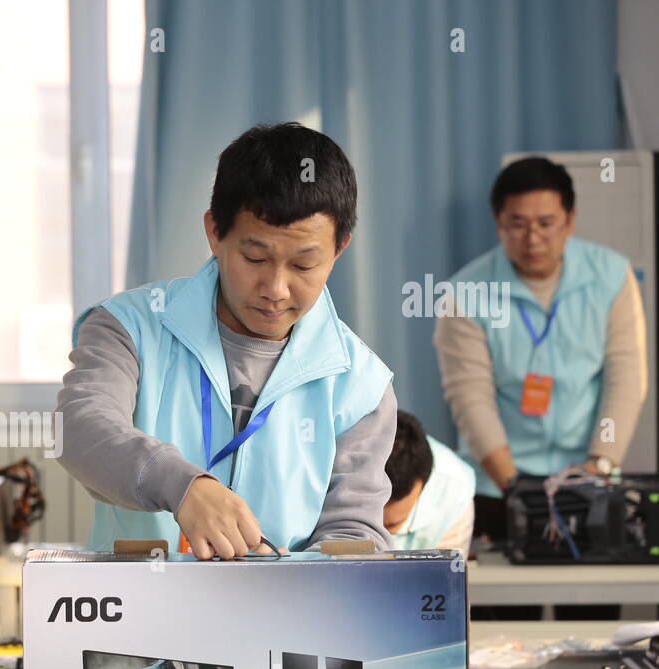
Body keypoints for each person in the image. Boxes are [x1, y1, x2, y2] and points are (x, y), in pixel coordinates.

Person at [57, 122, 396, 557]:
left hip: (284, 618)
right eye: (255, 257)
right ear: (215, 232)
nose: (276, 288)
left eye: (304, 265)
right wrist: (182, 486)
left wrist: (282, 575)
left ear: (339, 250)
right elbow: (79, 429)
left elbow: (353, 533)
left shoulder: (360, 385)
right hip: (140, 613)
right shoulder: (131, 326)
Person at [434, 156, 648, 542]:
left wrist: (600, 466)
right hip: (497, 486)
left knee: (590, 600)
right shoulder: (464, 294)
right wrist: (515, 488)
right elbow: (470, 398)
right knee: (507, 600)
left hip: (590, 478)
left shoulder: (613, 276)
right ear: (499, 223)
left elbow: (626, 378)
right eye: (518, 224)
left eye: (546, 224)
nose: (533, 239)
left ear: (569, 220)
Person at [384, 411, 476, 553]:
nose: (377, 538)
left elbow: (445, 572)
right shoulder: (341, 461)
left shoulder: (455, 493)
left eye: (390, 526)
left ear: (423, 484)